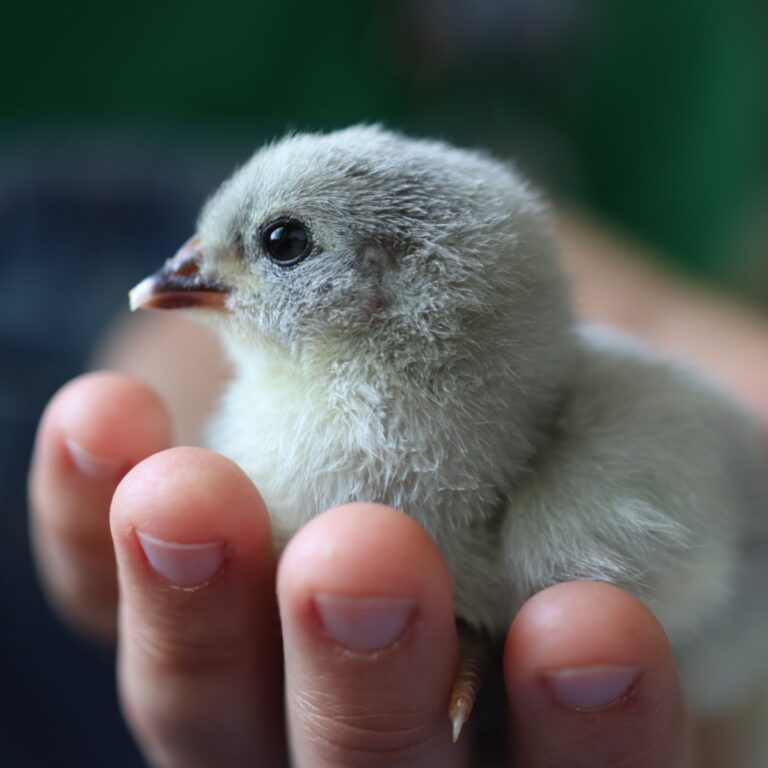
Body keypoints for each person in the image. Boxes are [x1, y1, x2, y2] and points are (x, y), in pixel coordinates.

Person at [28, 212, 768, 767]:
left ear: (397, 280)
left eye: (281, 246)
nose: (185, 269)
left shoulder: (595, 480)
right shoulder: (257, 425)